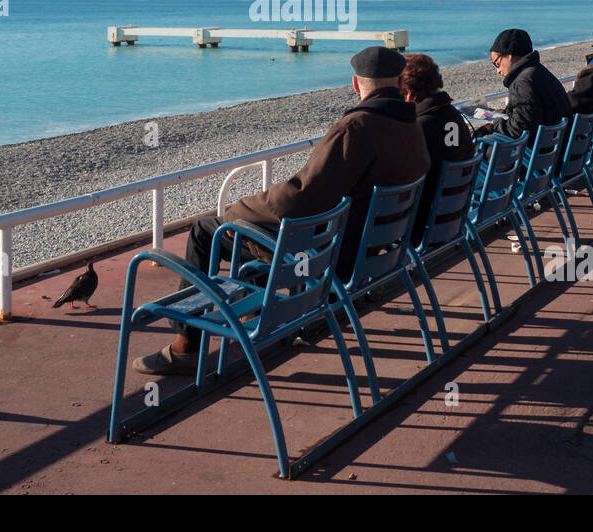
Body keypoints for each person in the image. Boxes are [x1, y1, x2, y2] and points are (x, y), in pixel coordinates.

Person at [133, 46, 429, 376]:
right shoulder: (411, 127)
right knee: (258, 227)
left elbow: (298, 198)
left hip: (330, 256)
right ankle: (256, 316)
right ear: (399, 82)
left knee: (208, 231)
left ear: (356, 85)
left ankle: (188, 345)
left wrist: (236, 210)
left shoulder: (356, 129)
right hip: (372, 252)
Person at [399, 53, 474, 242]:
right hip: (454, 216)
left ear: (407, 90)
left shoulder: (419, 127)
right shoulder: (453, 115)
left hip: (423, 223)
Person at [475, 28, 573, 141]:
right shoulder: (538, 71)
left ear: (509, 55)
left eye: (497, 64)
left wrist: (492, 127)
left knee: (480, 146)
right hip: (561, 145)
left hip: (543, 152)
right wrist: (505, 113)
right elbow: (530, 112)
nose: (498, 71)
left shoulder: (523, 82)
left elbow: (521, 129)